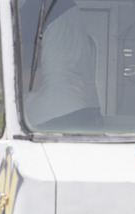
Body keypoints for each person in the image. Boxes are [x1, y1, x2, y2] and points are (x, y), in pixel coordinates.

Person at [19, 0, 101, 131]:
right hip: (89, 111)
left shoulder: (32, 10)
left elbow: (31, 81)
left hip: (53, 116)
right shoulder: (68, 4)